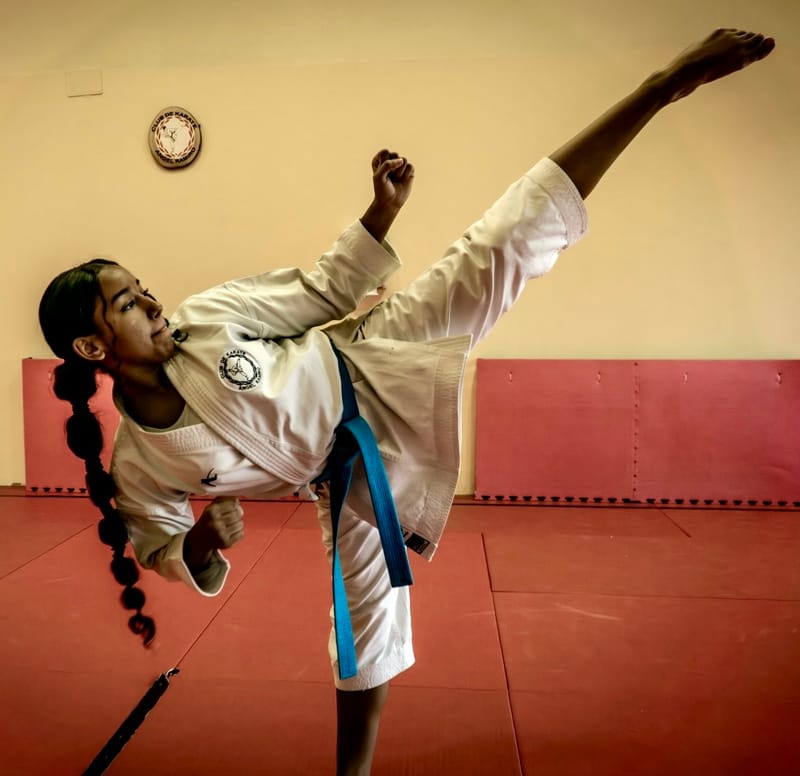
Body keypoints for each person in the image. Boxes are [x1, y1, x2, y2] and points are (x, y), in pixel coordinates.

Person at [38, 29, 774, 776]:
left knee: (501, 245)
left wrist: (381, 211)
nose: (152, 302)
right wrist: (200, 543)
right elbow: (157, 544)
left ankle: (660, 86)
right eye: (128, 303)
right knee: (364, 628)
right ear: (94, 350)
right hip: (345, 474)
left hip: (371, 352)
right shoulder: (140, 461)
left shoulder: (208, 317)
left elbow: (320, 291)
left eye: (142, 287)